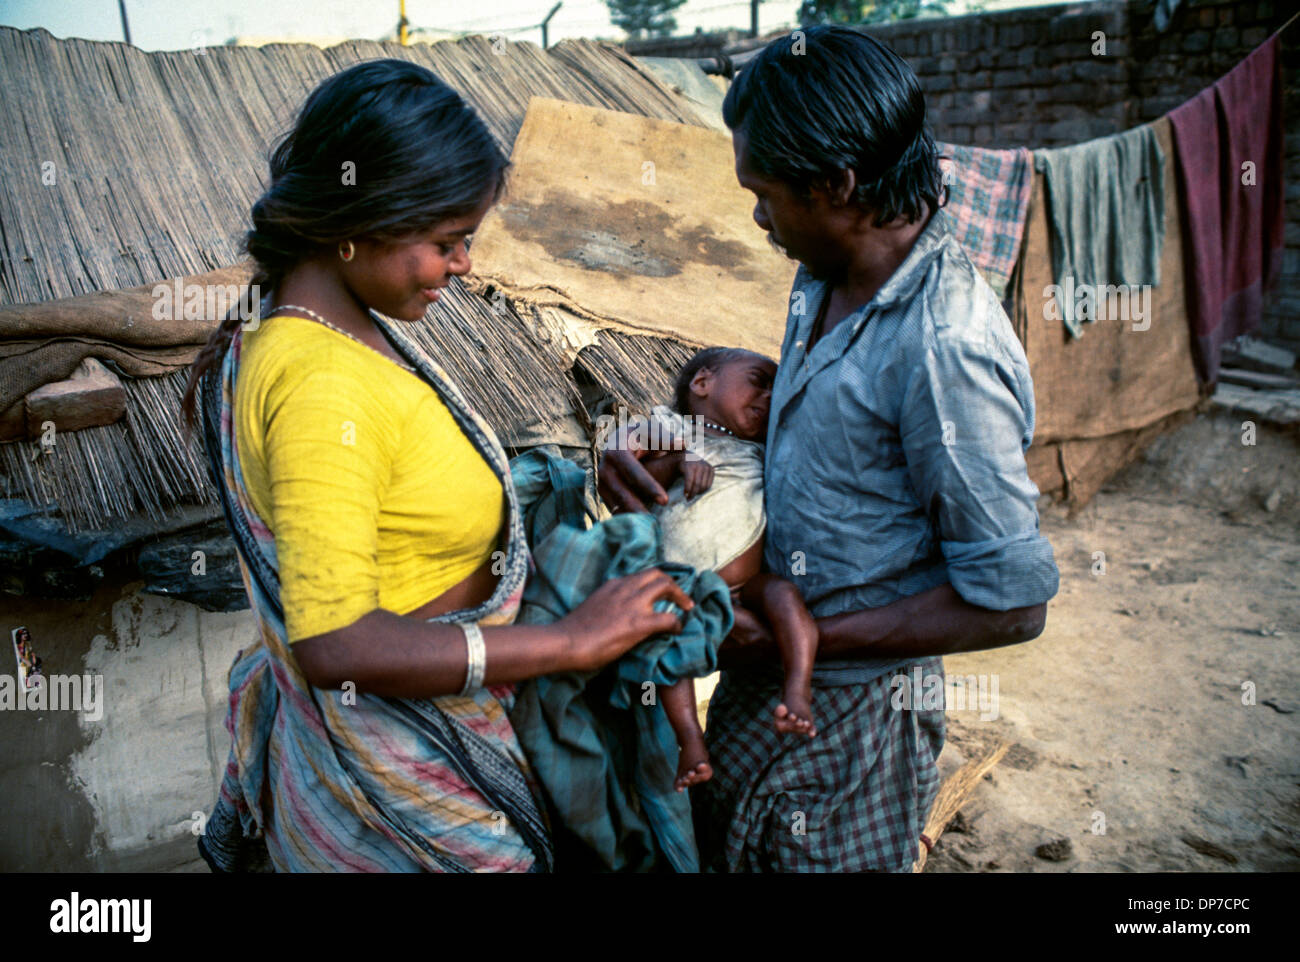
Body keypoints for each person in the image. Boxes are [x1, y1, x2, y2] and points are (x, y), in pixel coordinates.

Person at [183, 59, 693, 873]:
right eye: (445, 242)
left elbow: (405, 502)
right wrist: (569, 642)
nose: (463, 266)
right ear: (361, 218)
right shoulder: (322, 385)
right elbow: (337, 646)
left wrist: (587, 480)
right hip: (409, 805)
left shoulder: (336, 333)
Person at [599, 26, 1060, 872]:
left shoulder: (945, 347)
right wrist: (654, 450)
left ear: (839, 184)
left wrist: (793, 644)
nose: (757, 215)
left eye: (766, 193)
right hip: (763, 683)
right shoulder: (824, 274)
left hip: (855, 724)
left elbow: (1012, 602)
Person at [638, 347, 819, 793]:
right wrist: (679, 461)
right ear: (702, 384)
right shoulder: (677, 432)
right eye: (758, 380)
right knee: (667, 650)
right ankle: (690, 742)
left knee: (784, 597)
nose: (770, 395)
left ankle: (797, 689)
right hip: (679, 583)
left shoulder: (765, 446)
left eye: (777, 389)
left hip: (745, 586)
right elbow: (641, 481)